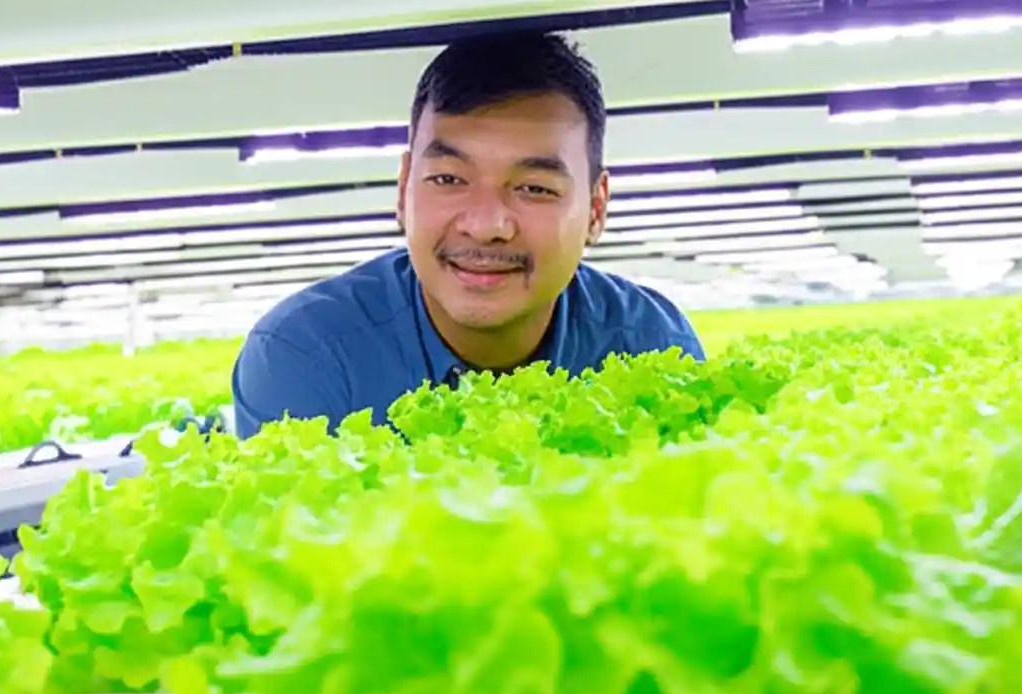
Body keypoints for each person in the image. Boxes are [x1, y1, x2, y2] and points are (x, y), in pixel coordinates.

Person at [231, 30, 705, 440]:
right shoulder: (309, 355)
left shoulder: (648, 344)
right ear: (403, 189)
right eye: (448, 179)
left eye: (534, 188)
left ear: (596, 209)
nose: (485, 224)